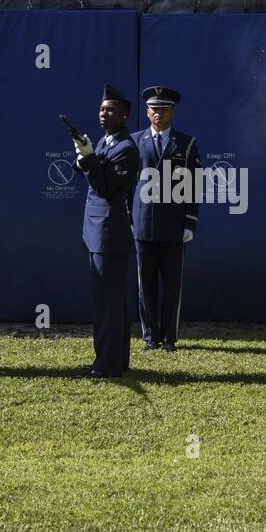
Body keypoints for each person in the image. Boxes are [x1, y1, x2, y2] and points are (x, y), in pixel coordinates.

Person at [72, 83, 139, 379]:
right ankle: (113, 360)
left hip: (110, 233)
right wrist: (83, 157)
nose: (104, 113)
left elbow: (105, 185)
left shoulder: (126, 147)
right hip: (98, 232)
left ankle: (108, 364)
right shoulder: (107, 141)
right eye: (101, 109)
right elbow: (95, 167)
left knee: (108, 304)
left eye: (111, 110)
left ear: (124, 115)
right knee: (106, 301)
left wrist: (87, 158)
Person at [132, 85, 201, 352]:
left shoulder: (186, 143)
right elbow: (129, 185)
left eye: (163, 109)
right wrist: (130, 218)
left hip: (173, 225)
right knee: (145, 283)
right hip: (143, 223)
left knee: (172, 284)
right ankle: (150, 336)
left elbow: (194, 186)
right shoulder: (136, 141)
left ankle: (170, 336)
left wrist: (189, 222)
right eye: (153, 109)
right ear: (147, 112)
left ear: (172, 112)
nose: (157, 113)